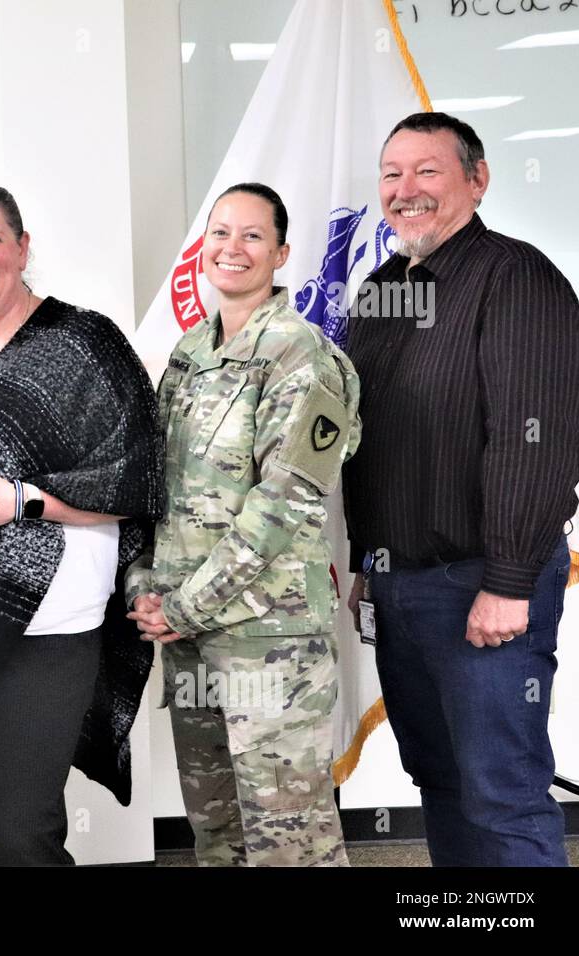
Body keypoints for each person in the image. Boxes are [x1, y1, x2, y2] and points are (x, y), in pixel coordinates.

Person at [344, 112, 579, 867]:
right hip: (401, 585)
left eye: (427, 172)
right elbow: (367, 441)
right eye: (391, 174)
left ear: (477, 182)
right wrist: (364, 561)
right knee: (440, 782)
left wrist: (509, 581)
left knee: (502, 792)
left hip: (485, 581)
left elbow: (534, 437)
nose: (405, 190)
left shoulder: (518, 278)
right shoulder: (381, 292)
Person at [0, 181, 162, 866]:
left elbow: (135, 481)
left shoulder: (85, 342)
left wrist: (20, 499)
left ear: (22, 248)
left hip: (50, 626)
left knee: (24, 835)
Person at [125, 183, 360, 867]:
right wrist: (147, 583)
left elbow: (285, 504)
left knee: (290, 840)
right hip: (190, 631)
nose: (233, 248)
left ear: (282, 252)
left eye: (253, 236)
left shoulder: (302, 355)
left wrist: (184, 607)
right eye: (221, 233)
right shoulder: (189, 354)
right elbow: (157, 488)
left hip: (269, 640)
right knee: (219, 832)